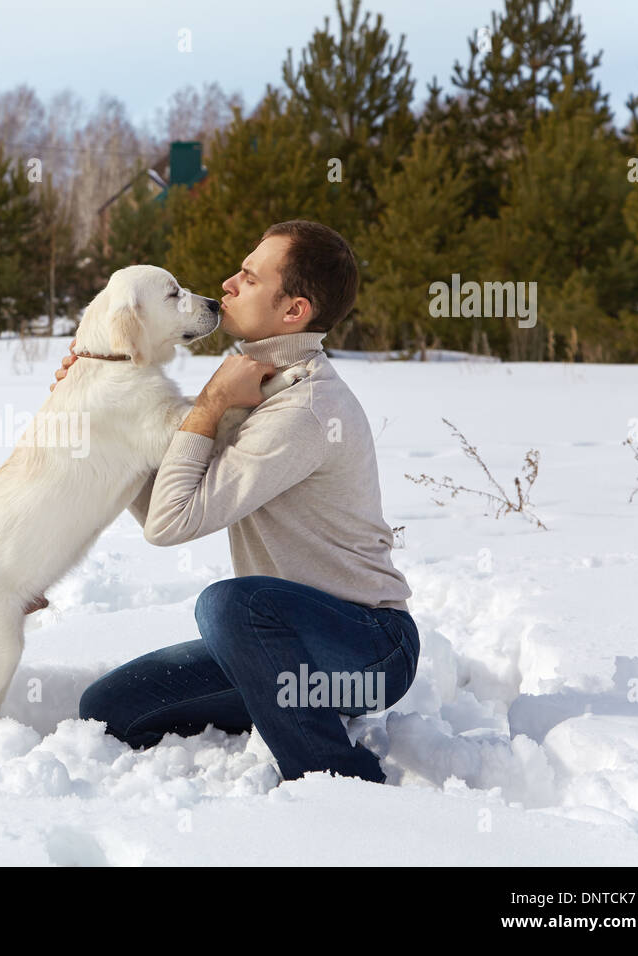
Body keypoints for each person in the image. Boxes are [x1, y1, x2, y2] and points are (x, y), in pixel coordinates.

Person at [44, 219, 418, 785]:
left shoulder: (304, 409)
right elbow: (166, 501)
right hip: (278, 645)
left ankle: (339, 777)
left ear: (293, 311)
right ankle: (289, 703)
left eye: (248, 276)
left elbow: (171, 522)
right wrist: (100, 410)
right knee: (111, 709)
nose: (227, 282)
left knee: (229, 606)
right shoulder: (255, 384)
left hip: (369, 649)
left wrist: (212, 402)